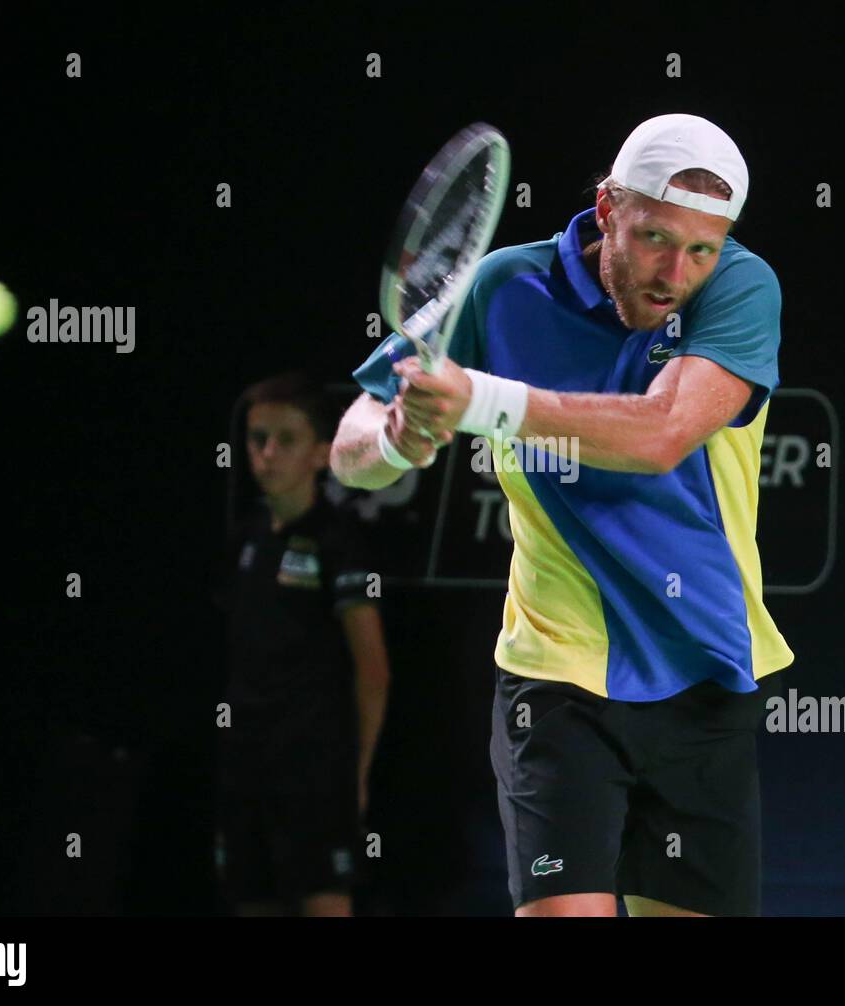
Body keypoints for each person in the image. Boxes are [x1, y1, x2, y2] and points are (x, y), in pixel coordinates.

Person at [332, 114, 793, 917]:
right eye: (655, 238)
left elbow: (661, 435)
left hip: (706, 672)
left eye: (701, 248)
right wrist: (400, 440)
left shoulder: (741, 286)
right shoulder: (501, 287)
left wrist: (483, 401)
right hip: (556, 677)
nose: (674, 272)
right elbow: (350, 447)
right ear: (609, 208)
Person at [215, 372, 390, 917]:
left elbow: (374, 671)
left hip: (316, 771)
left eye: (285, 440)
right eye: (256, 438)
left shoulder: (338, 542)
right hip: (245, 763)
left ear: (321, 453)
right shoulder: (244, 538)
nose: (266, 454)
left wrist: (356, 775)